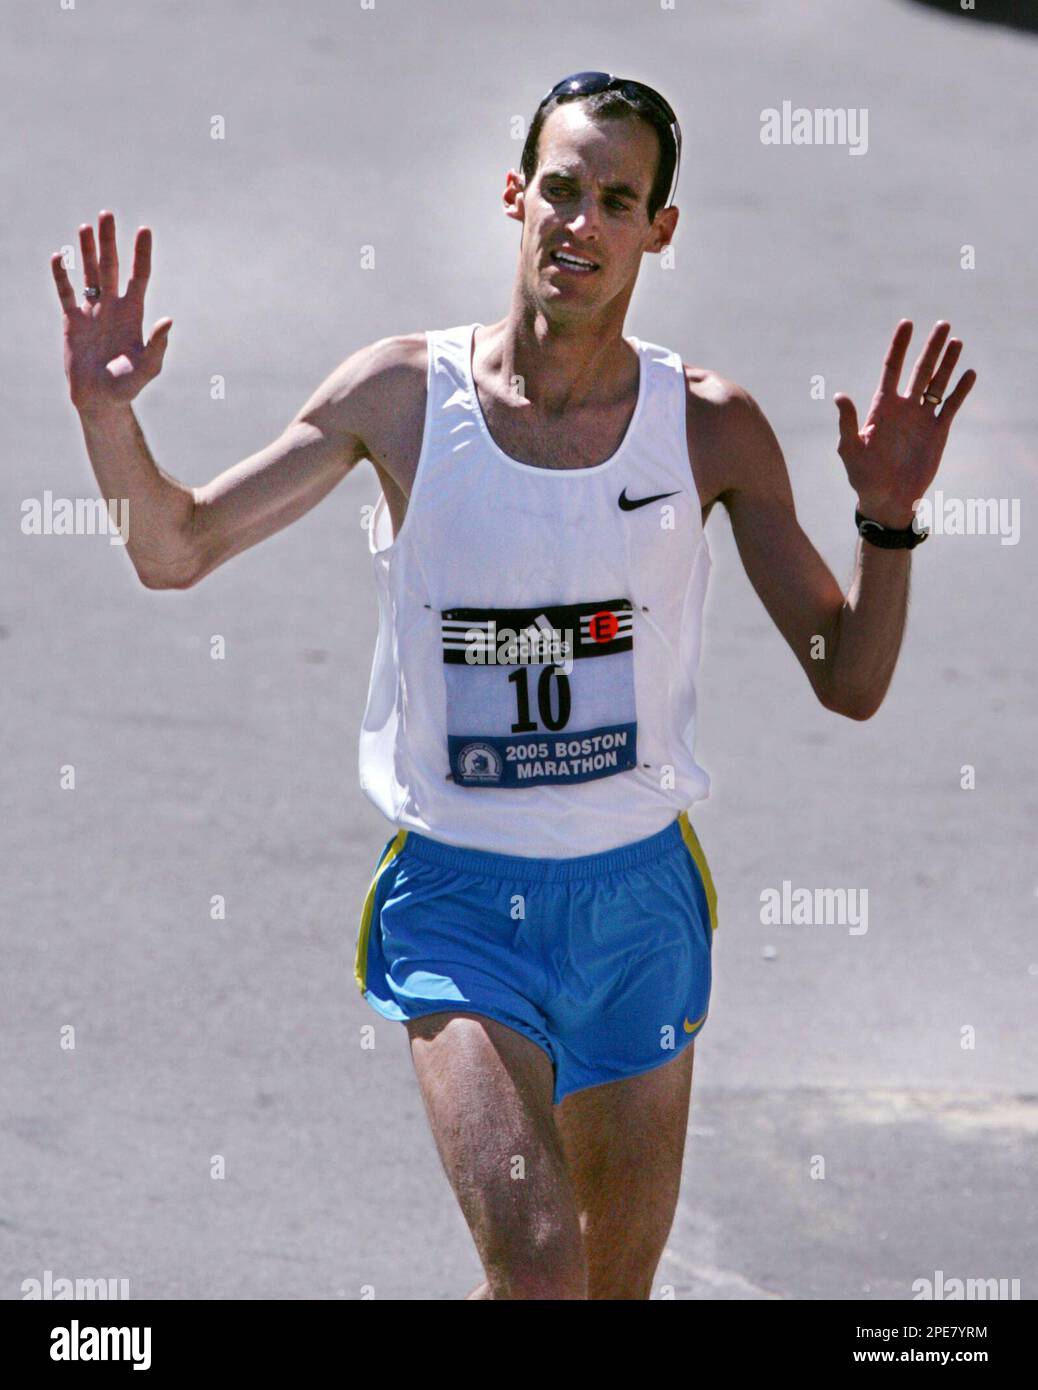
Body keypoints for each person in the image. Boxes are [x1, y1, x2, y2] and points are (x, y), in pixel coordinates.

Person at [50, 71, 975, 1301]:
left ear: (660, 229)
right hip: (461, 899)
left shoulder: (709, 429)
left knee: (607, 1286)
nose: (581, 221)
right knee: (539, 1267)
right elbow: (176, 547)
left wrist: (888, 523)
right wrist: (107, 418)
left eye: (617, 199)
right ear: (514, 197)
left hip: (640, 902)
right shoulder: (401, 398)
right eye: (560, 188)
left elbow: (845, 678)